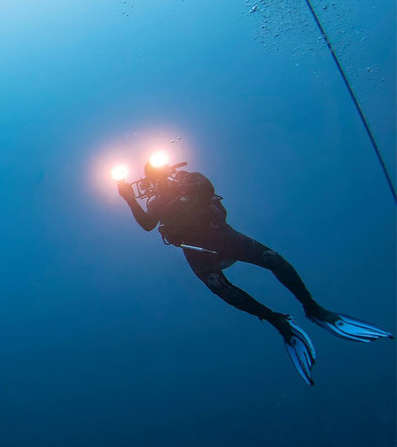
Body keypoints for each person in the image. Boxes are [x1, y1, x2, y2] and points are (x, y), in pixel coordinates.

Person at [117, 159, 392, 385]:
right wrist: (129, 199)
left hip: (221, 237)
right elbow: (147, 224)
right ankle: (278, 322)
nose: (157, 180)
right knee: (222, 288)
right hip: (198, 250)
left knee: (274, 260)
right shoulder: (155, 204)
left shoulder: (188, 180)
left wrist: (173, 188)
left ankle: (313, 308)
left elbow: (205, 187)